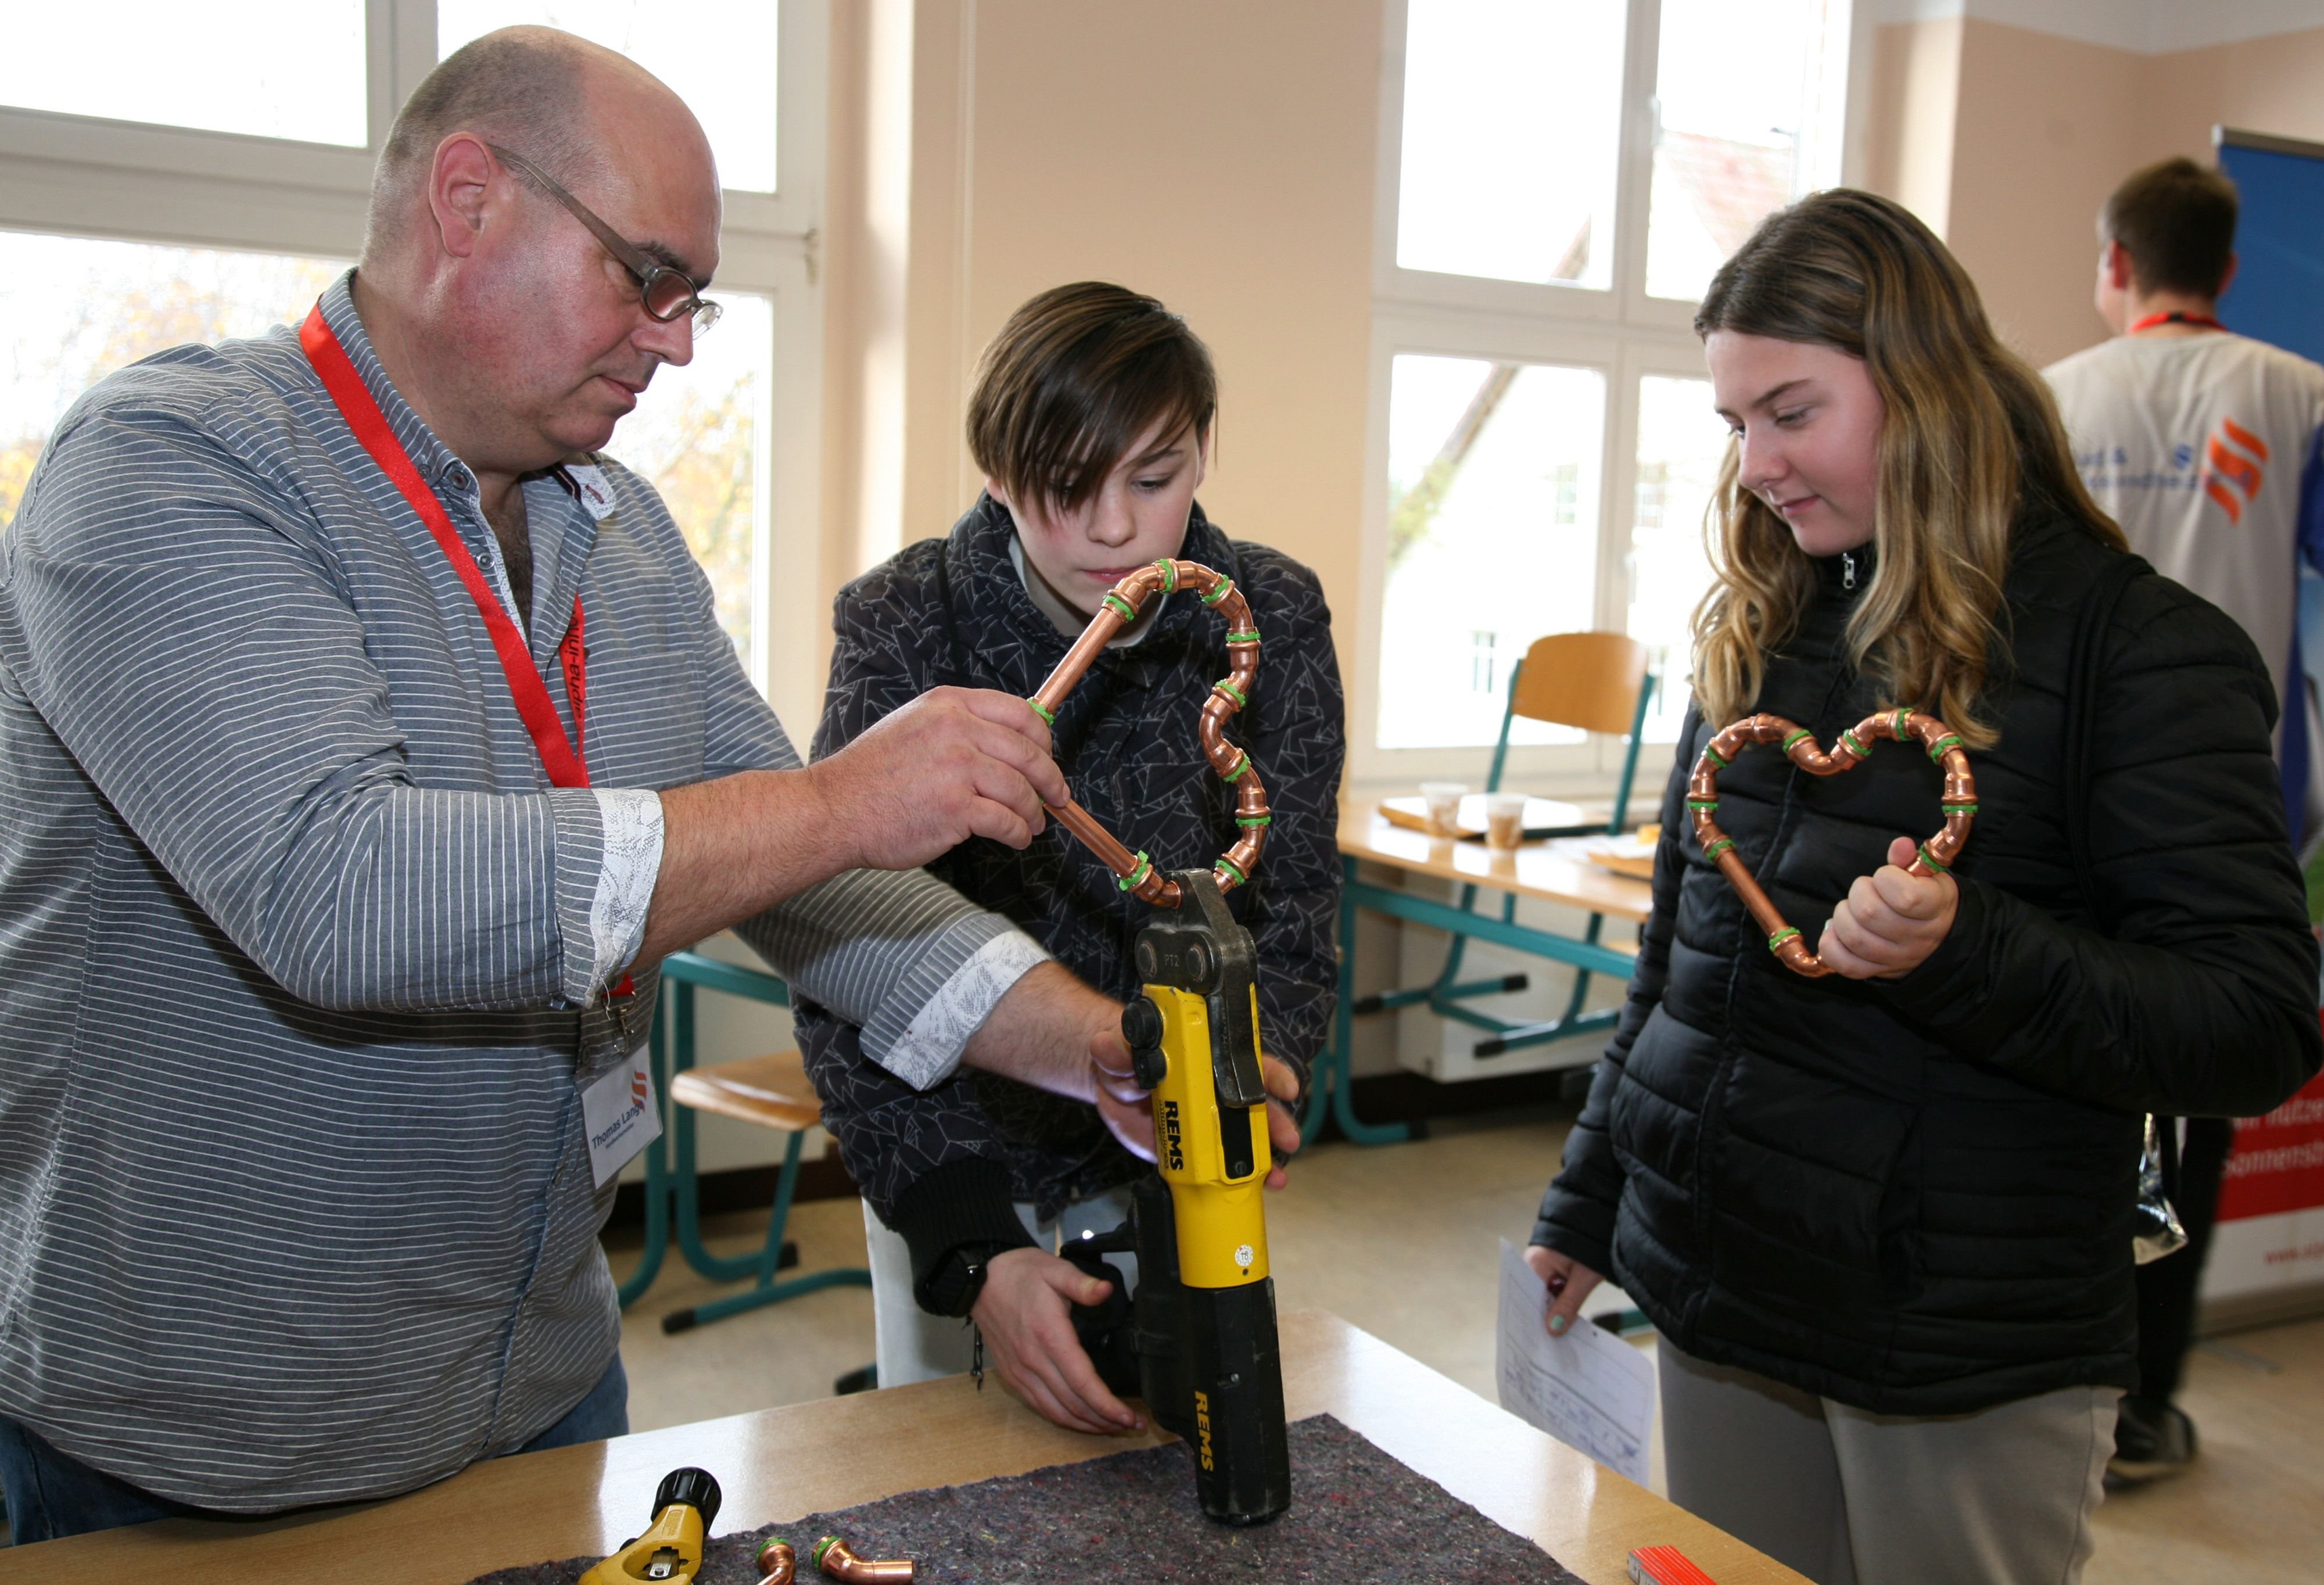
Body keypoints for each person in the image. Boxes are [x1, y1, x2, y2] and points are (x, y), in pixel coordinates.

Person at [0, 30, 1141, 1542]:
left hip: (540, 1387)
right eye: (646, 276)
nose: (675, 343)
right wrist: (840, 800)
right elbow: (332, 890)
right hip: (209, 1437)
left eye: (693, 298)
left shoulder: (625, 537)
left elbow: (805, 879)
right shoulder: (172, 468)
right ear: (467, 200)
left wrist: (1090, 1044)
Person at [1526, 189, 2321, 1585]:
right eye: (1734, 424)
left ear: (1924, 386)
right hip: (1715, 1291)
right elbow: (1678, 967)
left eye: (1791, 412)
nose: (1757, 466)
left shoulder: (2134, 650)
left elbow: (2250, 1022)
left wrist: (1961, 948)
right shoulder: (1758, 631)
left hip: (1958, 1342)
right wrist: (1589, 1200)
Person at [795, 282, 1342, 1435]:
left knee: (1184, 1458)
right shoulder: (904, 620)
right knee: (952, 1476)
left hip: (1185, 1162)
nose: (1112, 528)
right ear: (996, 470)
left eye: (1153, 478)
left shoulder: (1273, 615)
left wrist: (1263, 1074)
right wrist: (971, 1246)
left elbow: (1293, 905)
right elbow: (841, 945)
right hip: (960, 1164)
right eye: (1064, 483)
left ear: (1203, 451)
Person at [2045, 155, 2324, 1487]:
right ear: (2224, 269)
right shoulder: (2297, 395)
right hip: (2227, 812)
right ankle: (2140, 1409)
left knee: (2058, 1077)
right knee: (2192, 1095)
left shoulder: (2049, 396)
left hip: (2059, 804)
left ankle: (2052, 1386)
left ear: (2113, 263)